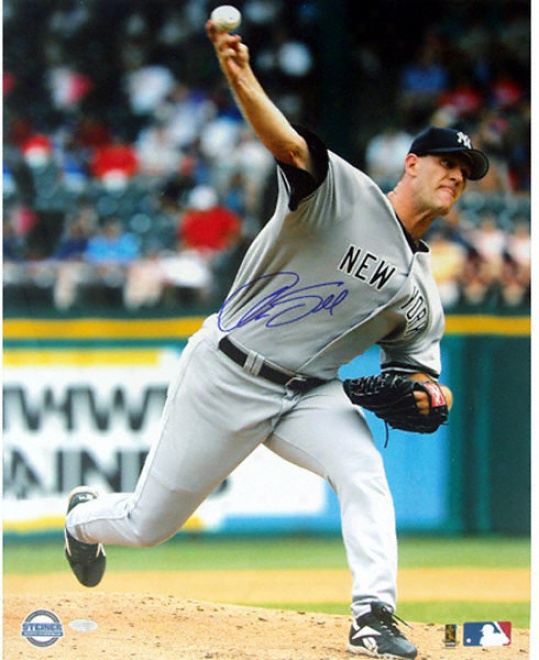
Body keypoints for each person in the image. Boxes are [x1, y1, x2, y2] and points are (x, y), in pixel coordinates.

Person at [64, 20, 489, 660]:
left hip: (310, 393)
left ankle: (374, 616)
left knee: (365, 474)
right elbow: (285, 144)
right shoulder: (343, 193)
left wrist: (436, 395)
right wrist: (238, 73)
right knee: (148, 525)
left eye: (466, 170)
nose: (456, 175)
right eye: (446, 162)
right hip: (228, 370)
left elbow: (419, 374)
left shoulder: (425, 294)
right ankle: (80, 520)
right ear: (412, 163)